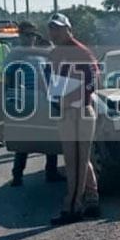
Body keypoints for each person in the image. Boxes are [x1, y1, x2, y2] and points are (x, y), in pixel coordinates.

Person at [47, 13, 99, 225]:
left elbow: (92, 82)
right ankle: (92, 198)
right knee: (79, 160)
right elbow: (52, 83)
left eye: (59, 28)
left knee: (74, 162)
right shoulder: (55, 54)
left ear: (69, 29)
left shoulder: (80, 52)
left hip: (80, 110)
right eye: (51, 29)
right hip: (66, 111)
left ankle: (72, 207)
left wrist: (71, 100)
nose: (55, 32)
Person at [9, 21, 61, 186]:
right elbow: (7, 79)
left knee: (50, 137)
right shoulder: (15, 54)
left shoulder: (41, 54)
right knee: (24, 140)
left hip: (45, 100)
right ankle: (17, 175)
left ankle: (51, 172)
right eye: (27, 34)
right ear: (20, 35)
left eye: (33, 35)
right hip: (25, 102)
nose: (31, 38)